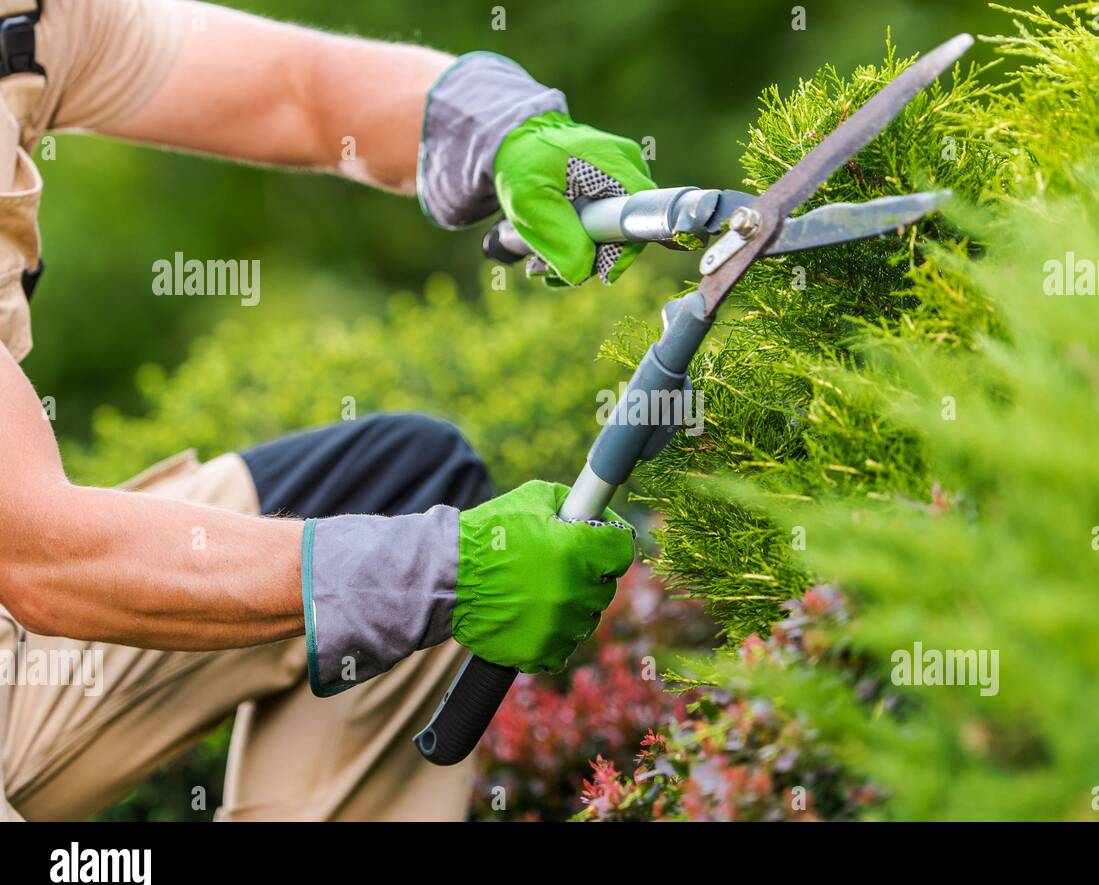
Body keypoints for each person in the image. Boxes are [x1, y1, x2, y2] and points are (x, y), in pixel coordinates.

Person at [0, 0, 653, 821]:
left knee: (409, 486)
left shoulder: (30, 24)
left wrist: (500, 127)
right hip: (34, 574)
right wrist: (437, 573)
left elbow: (299, 90)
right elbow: (42, 558)